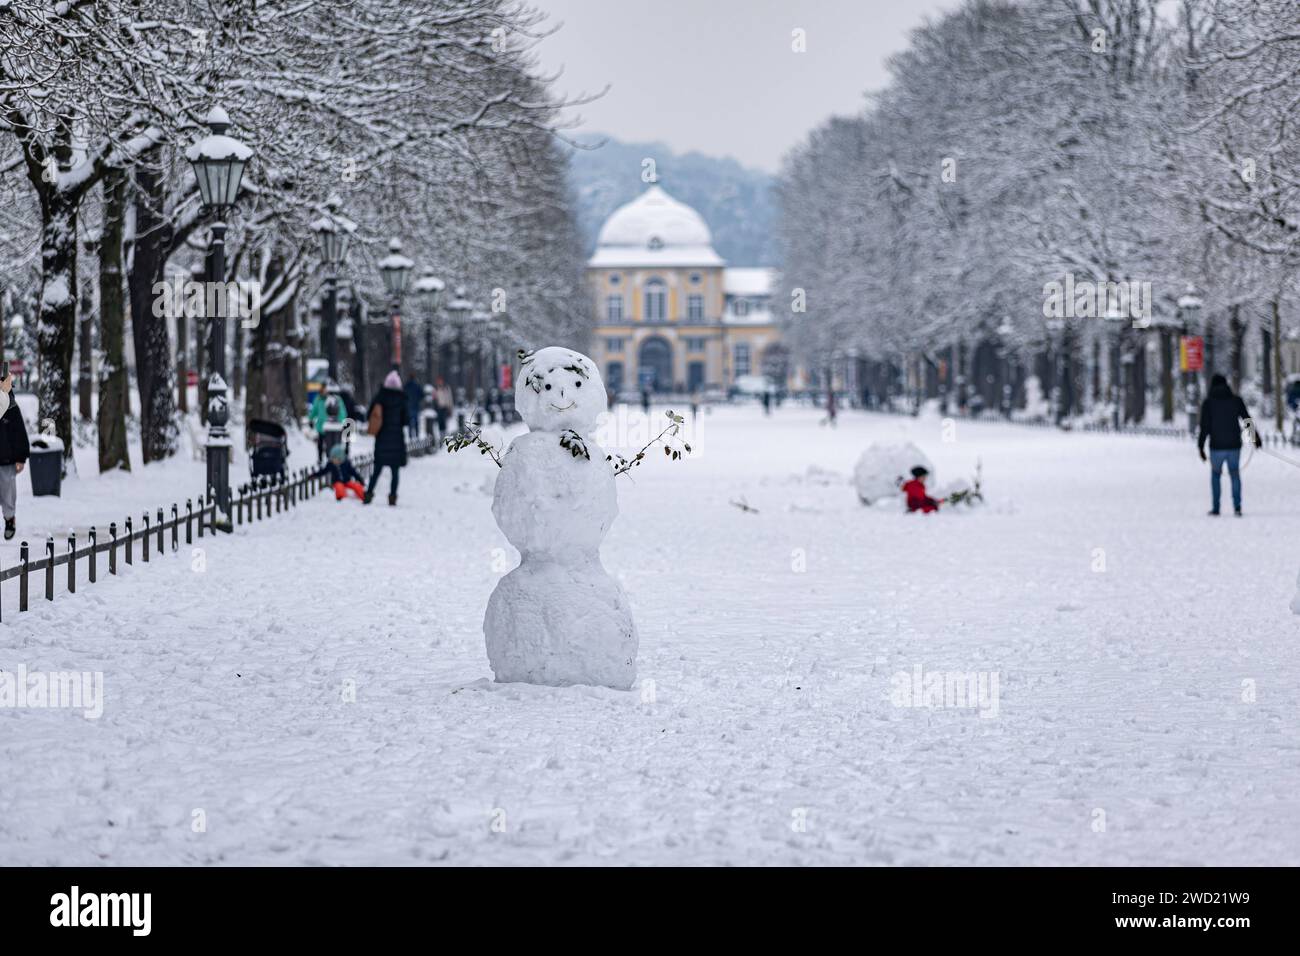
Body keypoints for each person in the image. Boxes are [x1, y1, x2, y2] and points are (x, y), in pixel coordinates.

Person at [1198, 372, 1261, 516]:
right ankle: (1237, 507)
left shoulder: (1208, 403)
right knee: (1235, 475)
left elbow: (1205, 427)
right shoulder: (1236, 400)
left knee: (1215, 476)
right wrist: (1255, 438)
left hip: (1216, 447)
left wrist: (1200, 447)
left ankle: (1216, 507)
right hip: (1234, 446)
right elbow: (1246, 419)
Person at [366, 370, 408, 506]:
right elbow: (406, 420)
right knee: (395, 471)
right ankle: (393, 497)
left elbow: (370, 415)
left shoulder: (380, 397)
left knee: (377, 469)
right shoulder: (402, 399)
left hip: (382, 437)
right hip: (396, 438)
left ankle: (368, 494)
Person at [0, 371, 30, 541]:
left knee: (7, 493)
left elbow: (19, 433)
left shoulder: (11, 408)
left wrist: (21, 457)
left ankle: (9, 519)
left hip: (6, 459)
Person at [310, 382, 348, 462]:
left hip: (334, 427)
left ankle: (333, 460)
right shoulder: (319, 399)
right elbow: (314, 410)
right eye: (324, 389)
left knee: (333, 445)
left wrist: (340, 422)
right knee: (320, 444)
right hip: (321, 426)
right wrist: (311, 419)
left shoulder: (336, 399)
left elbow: (342, 412)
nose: (325, 391)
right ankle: (320, 459)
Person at [433, 378, 453, 442]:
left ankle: (444, 435)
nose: (439, 382)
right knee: (439, 422)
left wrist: (450, 408)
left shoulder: (446, 388)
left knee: (444, 421)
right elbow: (434, 398)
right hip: (438, 408)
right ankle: (441, 435)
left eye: (440, 381)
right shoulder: (435, 389)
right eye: (438, 381)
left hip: (445, 407)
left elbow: (450, 399)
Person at [404, 375, 423, 440]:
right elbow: (422, 394)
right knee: (416, 421)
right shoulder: (417, 385)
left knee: (410, 422)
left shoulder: (406, 386)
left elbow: (403, 395)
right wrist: (417, 399)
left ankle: (410, 436)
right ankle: (417, 435)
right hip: (415, 406)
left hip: (408, 407)